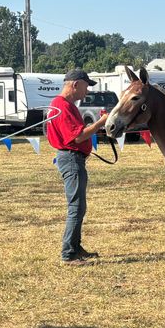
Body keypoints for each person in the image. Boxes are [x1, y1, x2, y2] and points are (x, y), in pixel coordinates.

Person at [45, 69, 107, 265]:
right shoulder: (62, 106)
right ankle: (69, 254)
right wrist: (101, 122)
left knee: (79, 206)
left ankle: (75, 247)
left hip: (73, 158)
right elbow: (78, 136)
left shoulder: (64, 105)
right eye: (86, 86)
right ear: (76, 84)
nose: (86, 91)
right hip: (71, 159)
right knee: (76, 206)